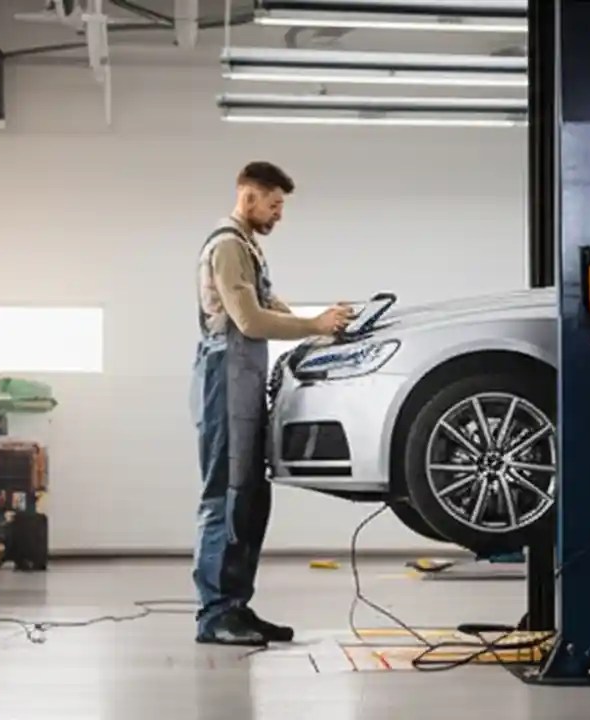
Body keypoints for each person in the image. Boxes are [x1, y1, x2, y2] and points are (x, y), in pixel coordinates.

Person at [191, 161, 351, 646]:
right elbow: (251, 321)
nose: (279, 214)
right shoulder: (226, 246)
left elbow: (272, 306)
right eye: (275, 204)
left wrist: (331, 326)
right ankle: (215, 614)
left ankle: (237, 606)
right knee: (225, 493)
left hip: (244, 374)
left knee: (251, 496)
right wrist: (313, 326)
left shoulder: (248, 247)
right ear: (249, 198)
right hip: (225, 375)